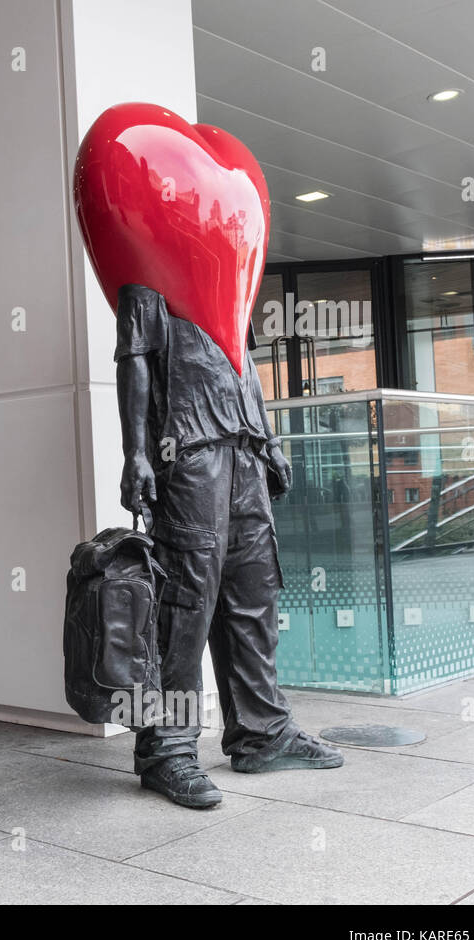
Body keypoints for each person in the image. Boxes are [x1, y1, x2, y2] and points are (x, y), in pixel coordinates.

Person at [115, 283, 343, 809]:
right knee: (185, 606)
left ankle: (262, 733)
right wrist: (137, 454)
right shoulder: (149, 275)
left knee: (253, 593)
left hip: (246, 455)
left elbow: (246, 367)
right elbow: (134, 363)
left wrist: (271, 441)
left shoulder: (223, 280)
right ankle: (165, 750)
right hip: (190, 458)